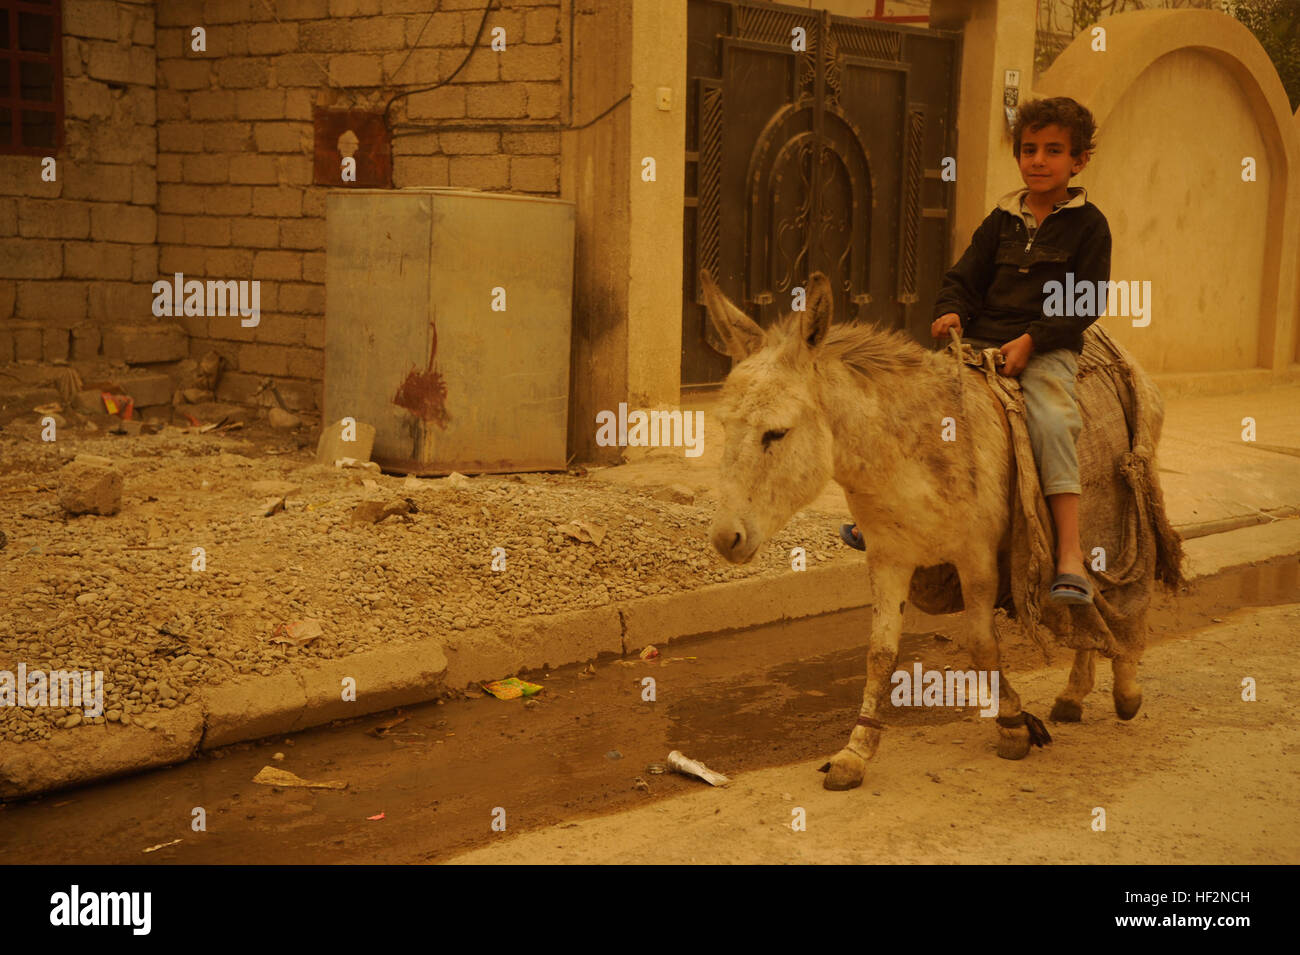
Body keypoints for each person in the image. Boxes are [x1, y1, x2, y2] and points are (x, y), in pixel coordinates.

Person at [839, 96, 1111, 605]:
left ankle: (1070, 555)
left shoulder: (1089, 225)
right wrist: (952, 311)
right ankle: (873, 518)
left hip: (1046, 345)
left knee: (1053, 421)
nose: (1038, 160)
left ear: (1078, 161)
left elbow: (1087, 300)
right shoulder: (1002, 220)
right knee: (910, 402)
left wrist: (1034, 341)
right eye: (1029, 149)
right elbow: (964, 278)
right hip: (979, 343)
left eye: (1054, 151)